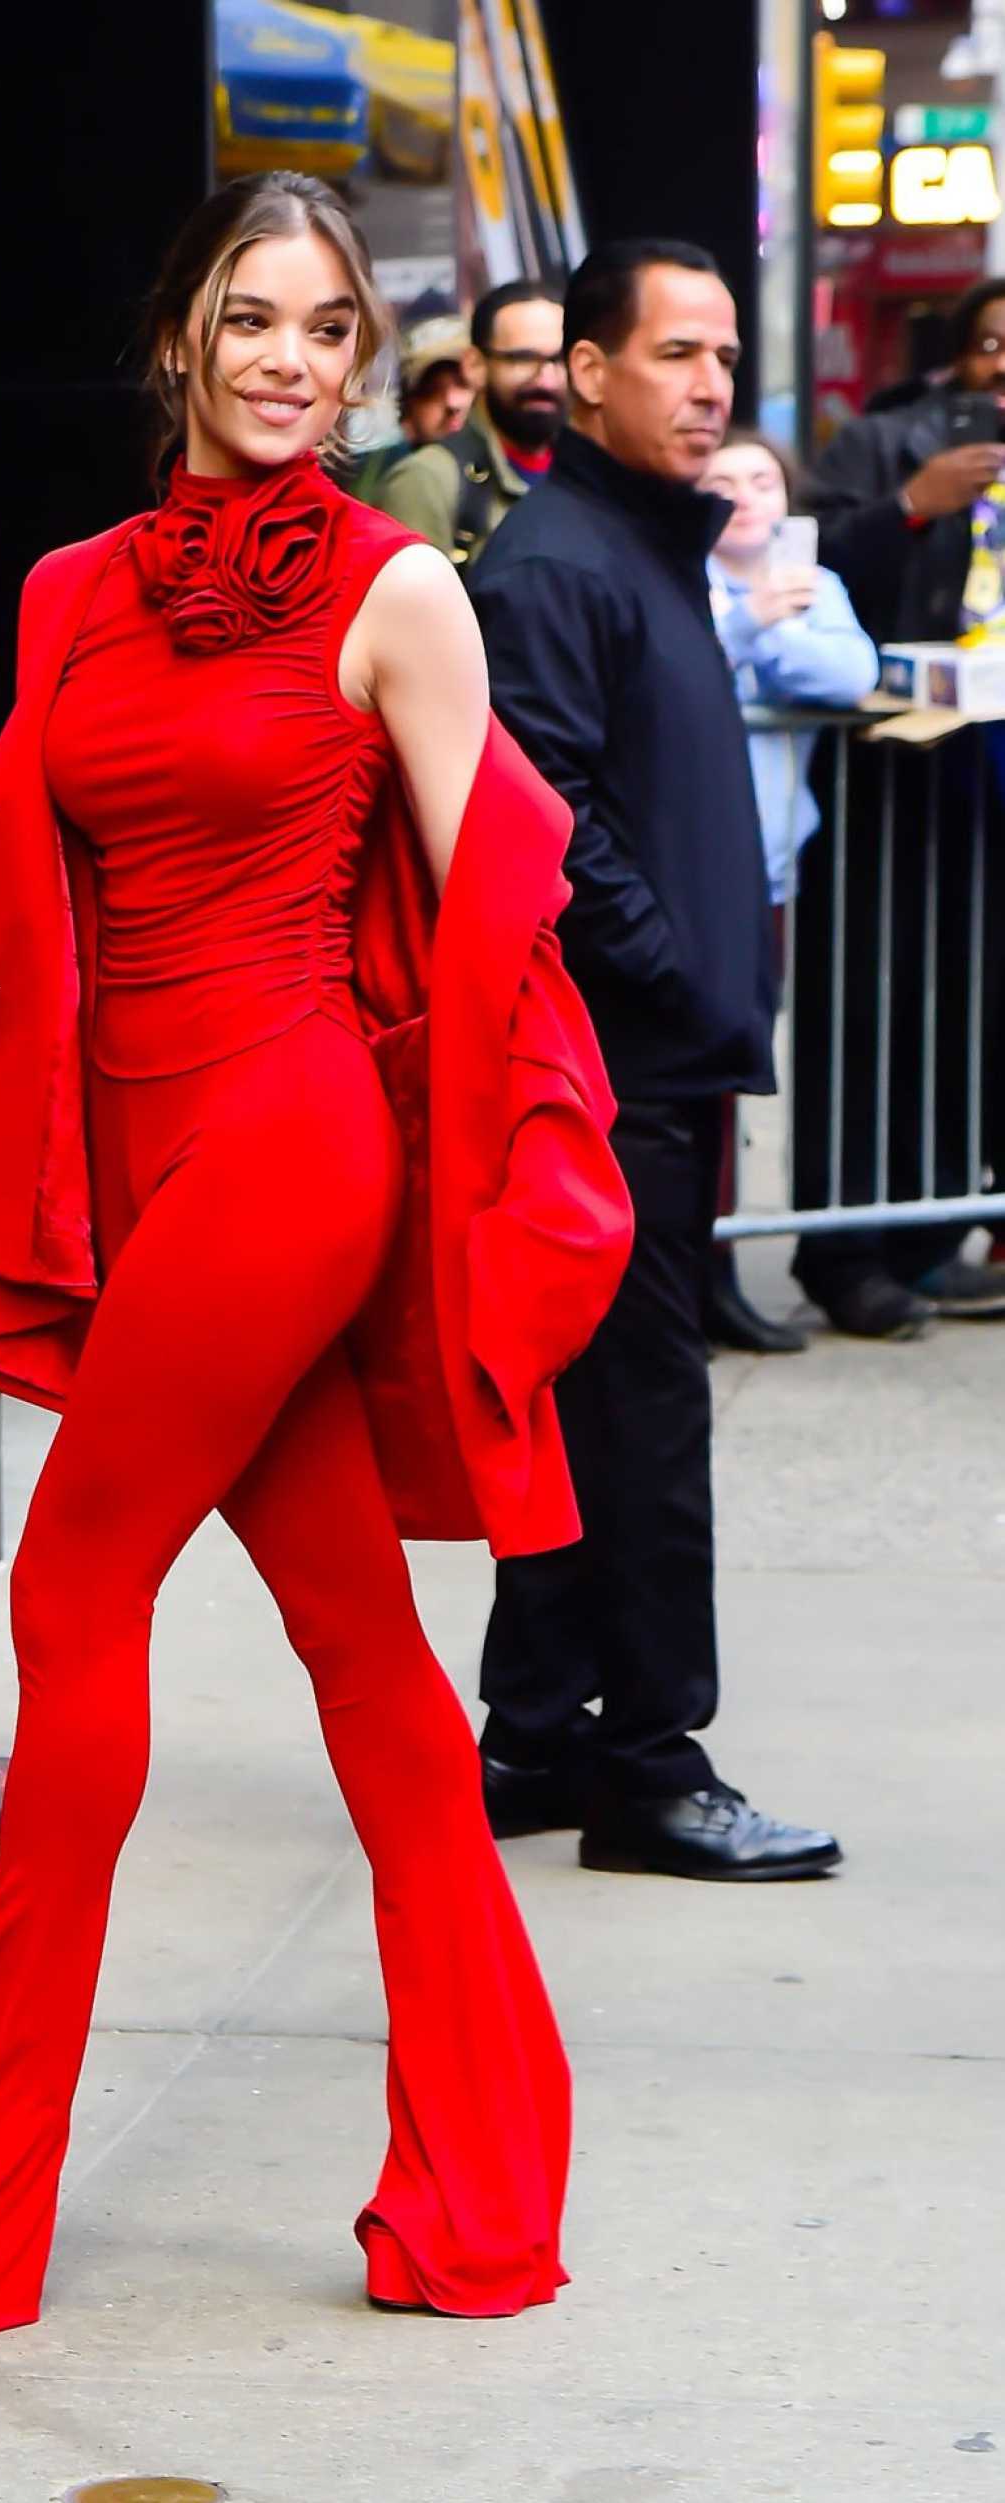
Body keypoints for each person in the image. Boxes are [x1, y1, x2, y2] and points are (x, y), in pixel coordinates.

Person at [0, 171, 634, 2345]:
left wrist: (515, 1188)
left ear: (357, 358)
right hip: (133, 1159)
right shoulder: (64, 595)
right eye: (253, 315)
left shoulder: (402, 589)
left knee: (68, 1584)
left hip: (290, 1146)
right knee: (364, 1653)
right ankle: (483, 2190)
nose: (288, 360)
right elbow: (28, 895)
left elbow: (499, 911)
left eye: (329, 328)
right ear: (182, 335)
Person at [469, 239, 842, 1882]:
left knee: (596, 1408)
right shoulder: (559, 564)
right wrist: (679, 975)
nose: (708, 386)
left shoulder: (639, 548)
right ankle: (652, 1760)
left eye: (722, 358)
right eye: (675, 354)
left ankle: (542, 1732)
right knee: (642, 1415)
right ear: (589, 372)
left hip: (646, 1061)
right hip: (606, 1074)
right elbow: (542, 816)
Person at [793, 279, 1005, 1336]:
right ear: (955, 354)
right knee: (869, 1011)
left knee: (968, 1010)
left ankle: (933, 1236)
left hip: (984, 785)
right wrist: (914, 503)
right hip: (883, 780)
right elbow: (811, 562)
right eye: (991, 343)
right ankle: (847, 1246)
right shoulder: (879, 444)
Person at [702, 429, 879, 1356]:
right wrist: (748, 625)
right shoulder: (680, 572)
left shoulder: (814, 584)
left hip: (770, 870)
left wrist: (773, 631)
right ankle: (693, 1270)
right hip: (689, 864)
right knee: (687, 1077)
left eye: (761, 477)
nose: (743, 494)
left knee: (739, 1069)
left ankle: (718, 1270)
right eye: (721, 478)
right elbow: (684, 679)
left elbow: (851, 674)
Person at [375, 278, 565, 569]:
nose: (546, 378)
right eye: (522, 359)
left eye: (558, 359)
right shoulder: (427, 480)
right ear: (476, 366)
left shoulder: (595, 469)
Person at [350, 314, 472, 503]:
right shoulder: (376, 474)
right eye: (432, 390)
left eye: (465, 384)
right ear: (408, 404)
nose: (452, 402)